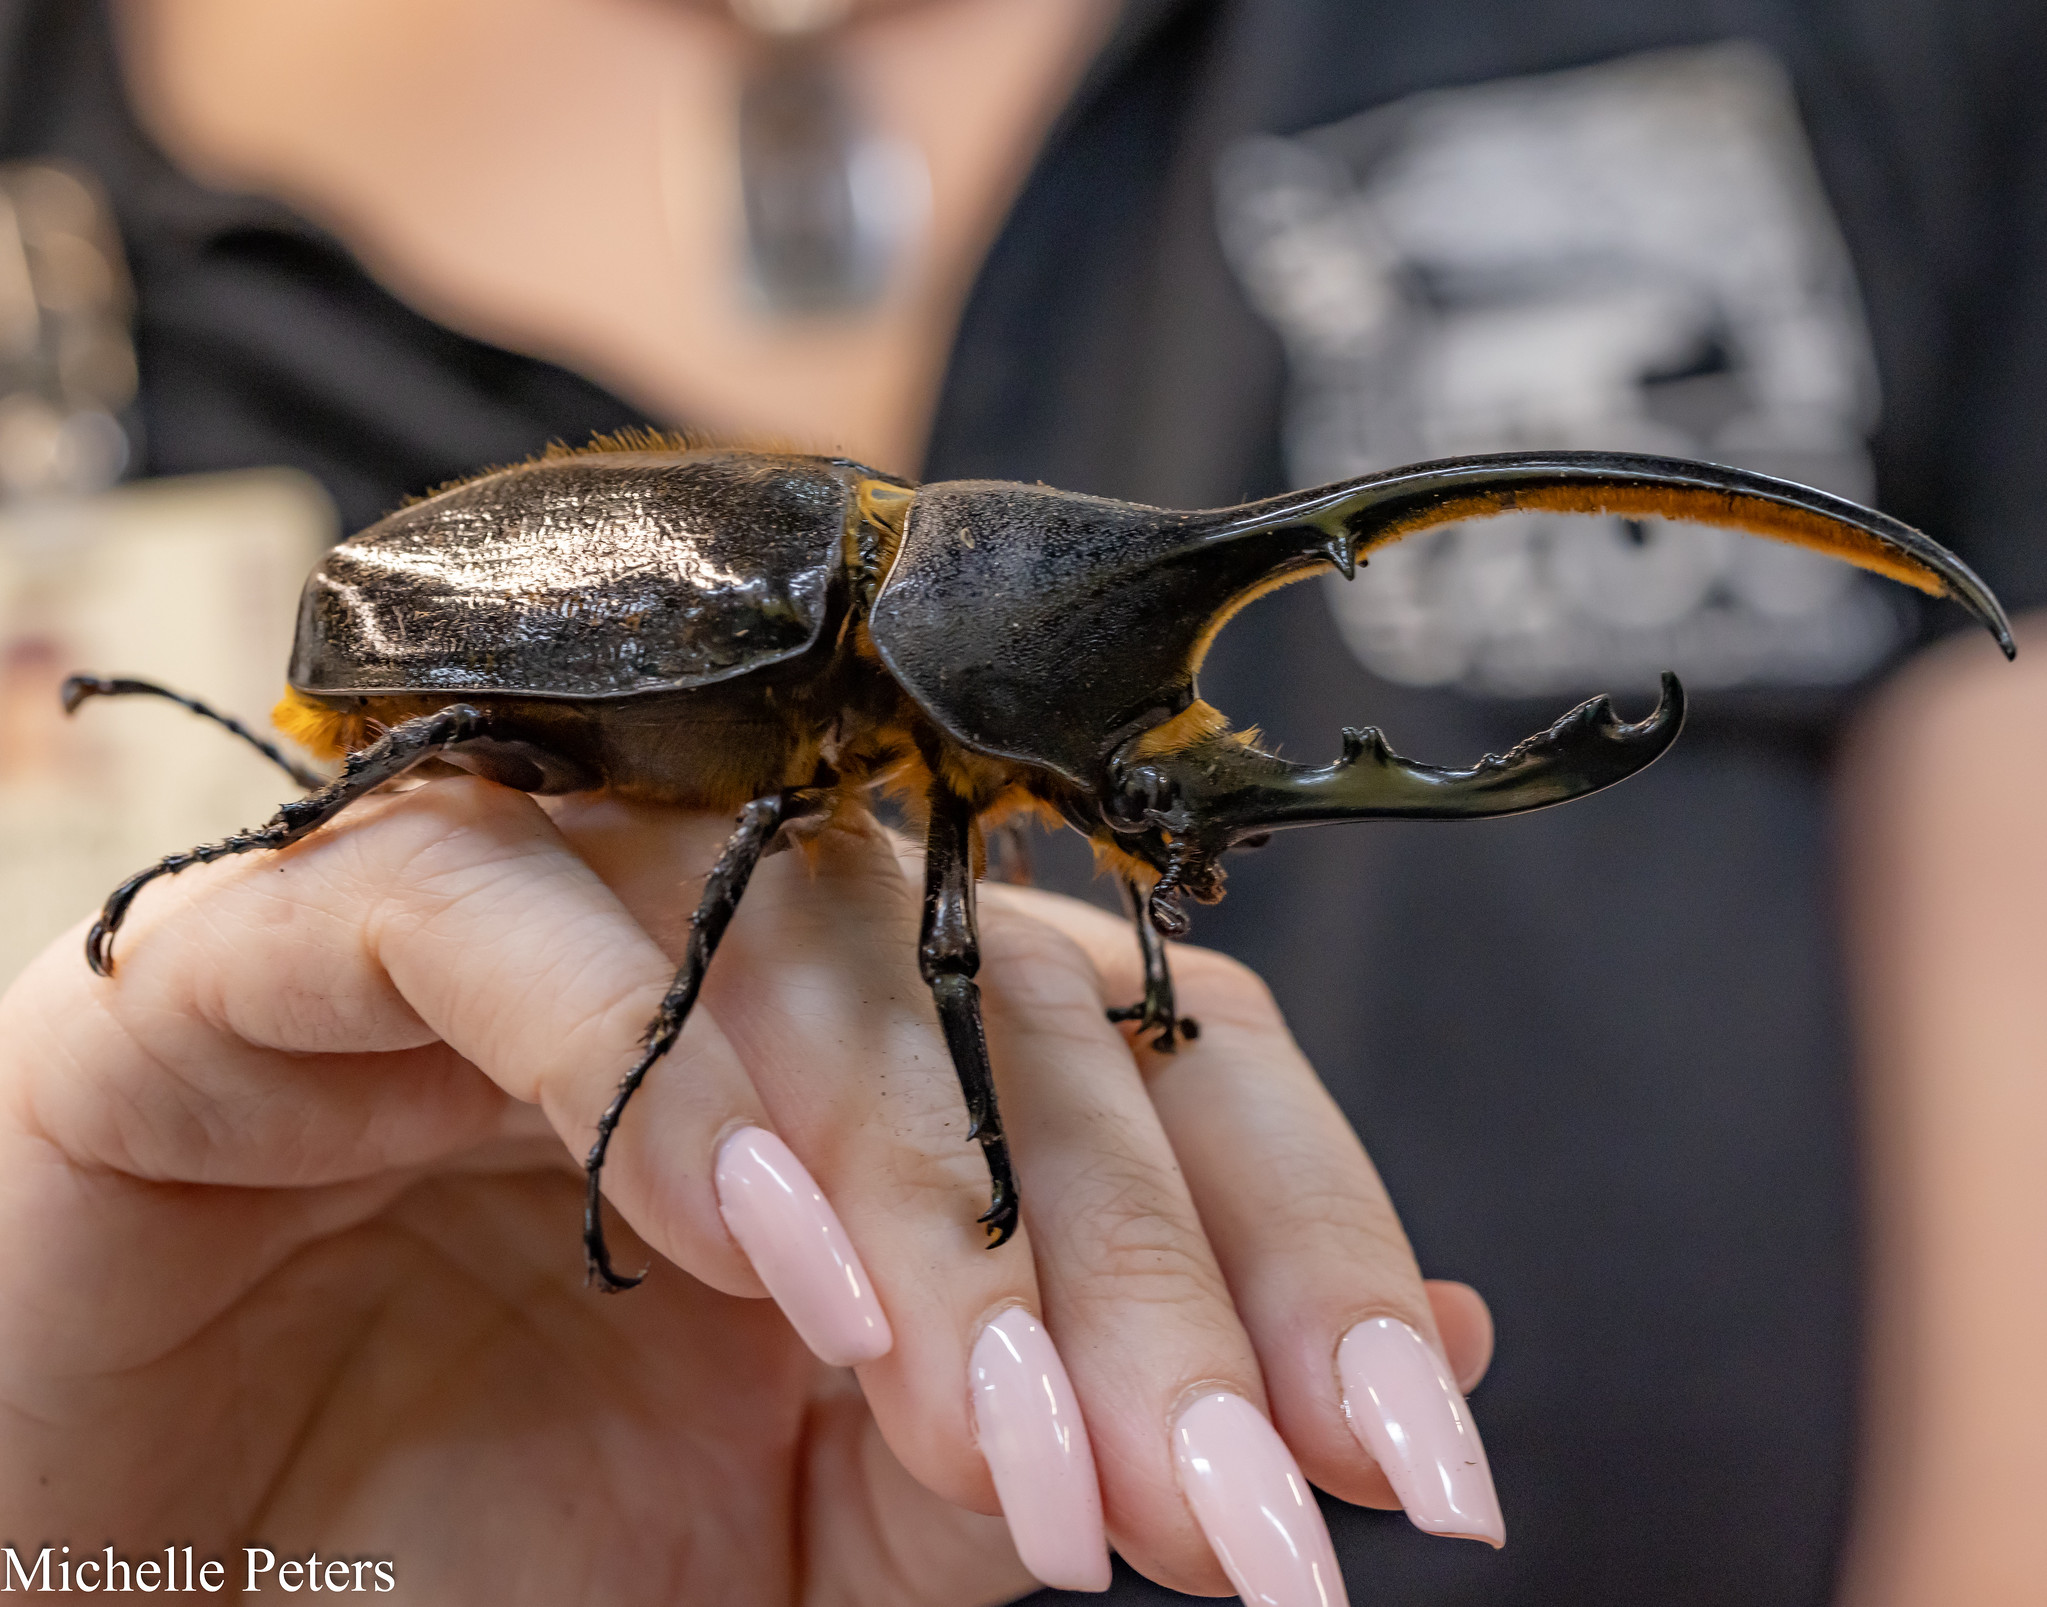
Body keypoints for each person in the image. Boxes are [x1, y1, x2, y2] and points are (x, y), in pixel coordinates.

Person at [0, 2, 2042, 1604]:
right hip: (439, 669)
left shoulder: (1884, 51)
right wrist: (91, 1556)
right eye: (1136, 777)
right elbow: (665, 838)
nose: (1166, 827)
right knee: (657, 820)